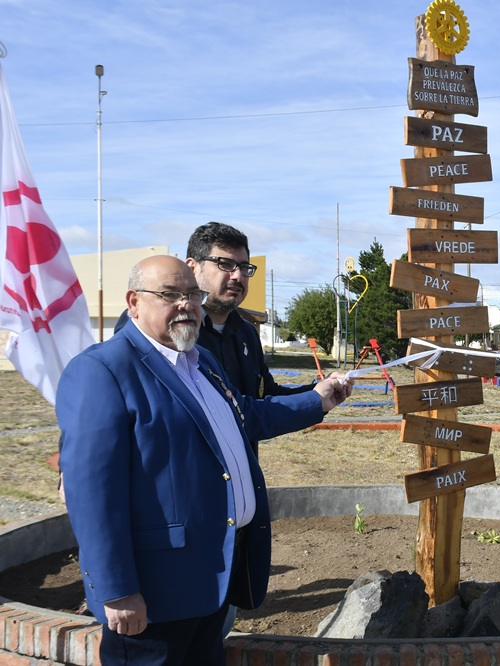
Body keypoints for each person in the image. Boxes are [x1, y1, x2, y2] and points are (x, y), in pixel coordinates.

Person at [57, 256, 352, 665]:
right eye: (170, 295)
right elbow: (91, 493)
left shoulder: (201, 361)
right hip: (154, 594)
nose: (186, 305)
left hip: (212, 577)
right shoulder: (102, 370)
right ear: (134, 302)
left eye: (193, 295)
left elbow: (245, 416)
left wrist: (318, 400)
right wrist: (117, 590)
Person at [116, 221, 311, 458]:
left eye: (244, 267)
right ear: (192, 267)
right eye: (225, 264)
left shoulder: (247, 333)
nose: (237, 276)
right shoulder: (160, 330)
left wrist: (318, 392)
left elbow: (263, 397)